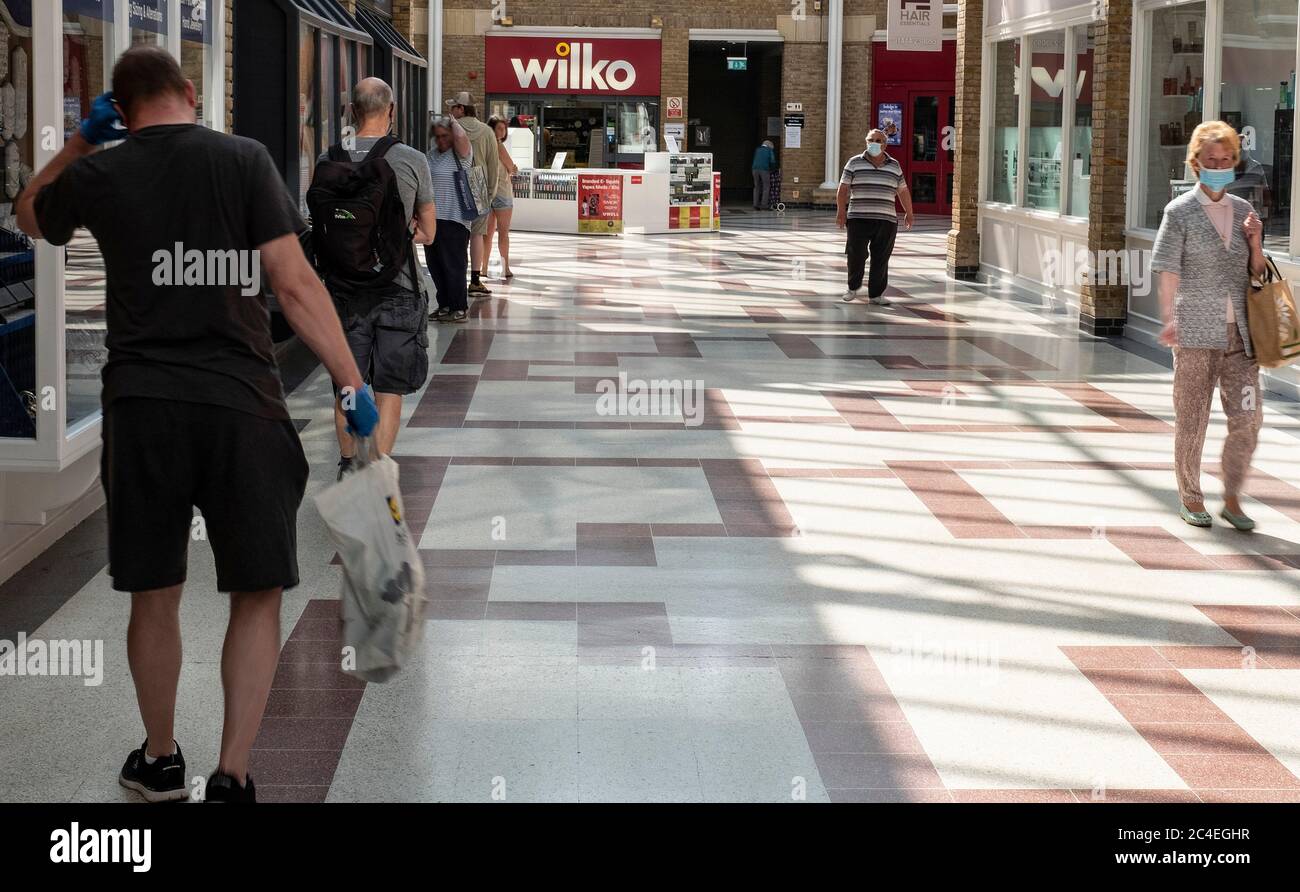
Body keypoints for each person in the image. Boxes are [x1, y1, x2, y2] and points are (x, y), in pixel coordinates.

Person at [15, 47, 377, 803]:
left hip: (143, 408)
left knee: (158, 590)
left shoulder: (99, 171)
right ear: (188, 92)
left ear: (121, 106)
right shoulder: (242, 159)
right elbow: (293, 282)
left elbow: (28, 215)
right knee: (257, 589)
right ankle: (234, 775)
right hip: (241, 403)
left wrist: (83, 140)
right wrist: (349, 380)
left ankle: (160, 759)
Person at [314, 77, 436, 481]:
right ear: (392, 110)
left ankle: (349, 465)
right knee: (389, 388)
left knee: (348, 384)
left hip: (343, 291)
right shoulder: (412, 159)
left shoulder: (328, 159)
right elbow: (429, 233)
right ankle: (376, 473)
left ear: (351, 111)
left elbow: (319, 226)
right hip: (398, 288)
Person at [1152, 120, 1267, 531]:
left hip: (1241, 335)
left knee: (1248, 419)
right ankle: (1191, 496)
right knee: (1192, 417)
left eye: (1225, 159)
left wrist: (1255, 243)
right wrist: (1170, 319)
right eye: (1210, 159)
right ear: (1196, 163)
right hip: (1195, 331)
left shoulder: (1245, 211)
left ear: (1234, 161)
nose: (1218, 165)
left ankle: (1233, 498)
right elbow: (1166, 268)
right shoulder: (1178, 212)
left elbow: (1258, 273)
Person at [836, 128, 914, 305]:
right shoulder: (854, 163)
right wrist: (841, 211)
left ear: (885, 144)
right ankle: (853, 287)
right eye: (871, 139)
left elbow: (902, 191)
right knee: (856, 254)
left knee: (881, 257)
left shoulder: (894, 165)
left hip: (886, 220)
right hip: (858, 218)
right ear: (866, 142)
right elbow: (843, 189)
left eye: (879, 140)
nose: (875, 143)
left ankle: (876, 294)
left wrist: (909, 213)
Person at [446, 91, 501, 297]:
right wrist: (490, 191)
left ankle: (456, 277)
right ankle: (475, 280)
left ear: (461, 109)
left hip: (454, 183)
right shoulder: (486, 131)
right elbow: (493, 164)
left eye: (454, 106)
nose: (451, 110)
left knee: (456, 233)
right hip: (479, 184)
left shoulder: (451, 129)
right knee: (477, 234)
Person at [426, 114, 474, 324]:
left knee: (454, 265)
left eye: (445, 135)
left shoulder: (462, 155)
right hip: (433, 219)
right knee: (435, 265)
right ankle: (444, 304)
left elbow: (462, 137)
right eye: (437, 136)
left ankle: (459, 307)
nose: (441, 140)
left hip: (455, 218)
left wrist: (453, 121)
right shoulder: (431, 155)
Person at [481, 115, 517, 281]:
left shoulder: (485, 145)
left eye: (504, 128)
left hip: (488, 193)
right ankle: (506, 268)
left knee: (487, 234)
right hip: (502, 192)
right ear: (493, 129)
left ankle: (483, 268)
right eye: (500, 128)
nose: (503, 131)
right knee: (503, 234)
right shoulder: (499, 145)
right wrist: (513, 168)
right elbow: (511, 167)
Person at [752, 139, 776, 210]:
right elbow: (772, 161)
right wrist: (773, 169)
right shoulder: (769, 150)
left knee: (757, 187)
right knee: (766, 187)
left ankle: (755, 204)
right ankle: (764, 205)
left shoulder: (757, 149)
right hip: (764, 170)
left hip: (754, 169)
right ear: (769, 146)